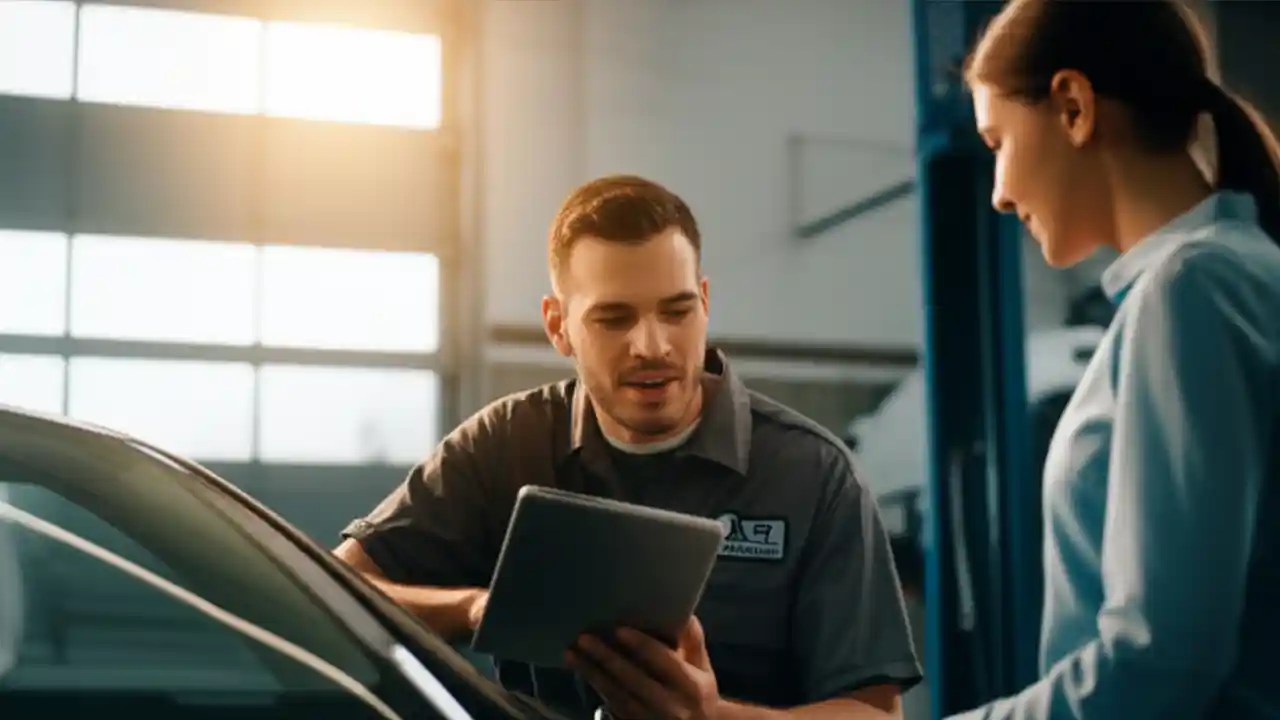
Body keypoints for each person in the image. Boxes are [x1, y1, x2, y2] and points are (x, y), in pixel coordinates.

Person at [335, 175, 922, 719]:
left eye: (677, 311)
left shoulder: (811, 474)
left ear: (705, 303)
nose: (652, 346)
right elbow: (336, 590)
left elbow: (873, 712)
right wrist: (472, 610)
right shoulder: (503, 447)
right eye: (614, 318)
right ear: (557, 325)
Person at [954, 0, 1280, 717]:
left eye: (998, 142)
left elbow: (1158, 661)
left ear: (1072, 106)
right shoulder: (1239, 274)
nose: (1001, 194)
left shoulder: (1190, 290)